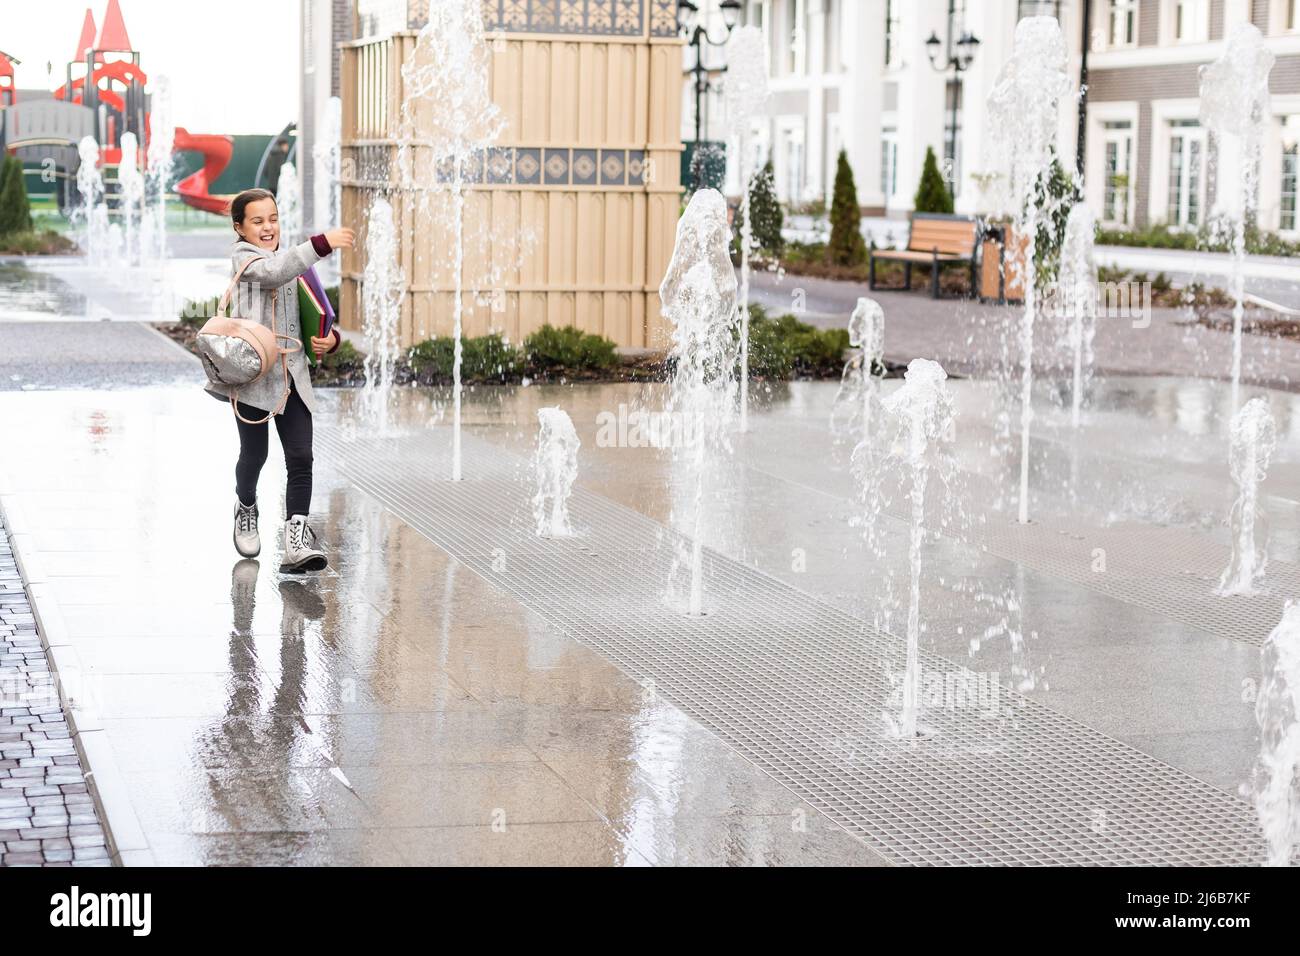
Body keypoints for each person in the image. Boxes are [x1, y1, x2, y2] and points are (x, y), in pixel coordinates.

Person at [207, 187, 354, 571]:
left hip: (294, 375)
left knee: (301, 457)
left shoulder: (291, 261)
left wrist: (330, 340)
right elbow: (273, 273)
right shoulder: (246, 259)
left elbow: (317, 310)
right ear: (239, 227)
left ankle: (296, 540)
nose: (268, 227)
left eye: (273, 219)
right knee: (255, 455)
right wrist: (321, 244)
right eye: (257, 221)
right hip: (253, 375)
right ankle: (246, 505)